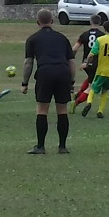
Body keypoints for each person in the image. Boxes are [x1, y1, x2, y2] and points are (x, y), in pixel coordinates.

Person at [21, 8, 77, 154]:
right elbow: (71, 62)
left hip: (45, 72)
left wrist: (25, 83)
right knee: (62, 109)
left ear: (37, 22)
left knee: (42, 109)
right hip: (63, 71)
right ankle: (62, 147)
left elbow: (28, 63)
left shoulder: (32, 39)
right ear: (52, 21)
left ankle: (40, 146)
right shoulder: (62, 38)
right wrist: (71, 82)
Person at [70, 12, 107, 112]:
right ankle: (77, 102)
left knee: (91, 78)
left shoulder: (84, 35)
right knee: (92, 87)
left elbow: (75, 48)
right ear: (100, 23)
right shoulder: (102, 36)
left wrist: (70, 58)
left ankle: (79, 93)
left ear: (90, 22)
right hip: (96, 64)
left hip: (86, 62)